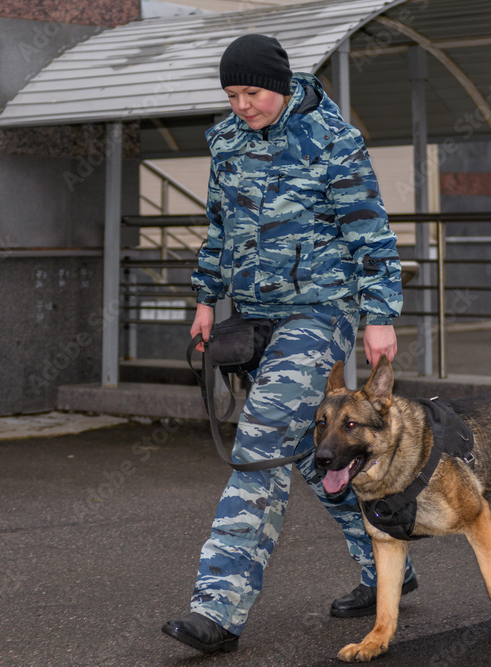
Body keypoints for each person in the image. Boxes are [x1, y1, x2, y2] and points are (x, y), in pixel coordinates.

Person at [161, 34, 417, 654]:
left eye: (250, 92)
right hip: (254, 319)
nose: (241, 104)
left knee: (260, 445)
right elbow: (220, 228)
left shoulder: (334, 140)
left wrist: (379, 315)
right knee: (312, 455)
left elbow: (371, 235)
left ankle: (217, 611)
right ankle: (389, 565)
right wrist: (204, 298)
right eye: (231, 94)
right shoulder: (225, 141)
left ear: (279, 83)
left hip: (317, 315)